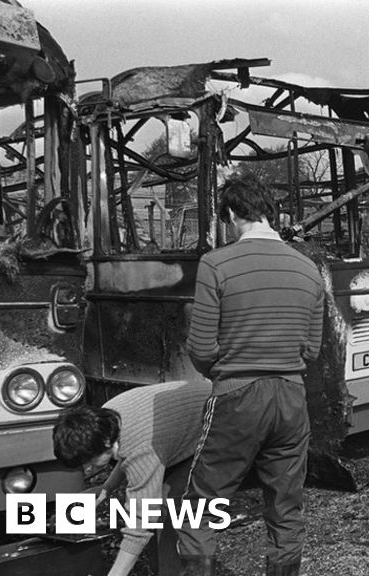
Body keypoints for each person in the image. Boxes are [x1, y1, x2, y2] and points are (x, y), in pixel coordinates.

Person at [178, 174, 325, 576]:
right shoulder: (309, 269)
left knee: (202, 503)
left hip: (237, 396)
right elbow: (312, 350)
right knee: (285, 503)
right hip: (292, 399)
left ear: (230, 214)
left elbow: (202, 348)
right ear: (271, 214)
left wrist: (224, 376)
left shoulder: (216, 263)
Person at [53, 379, 211, 576]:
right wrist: (107, 488)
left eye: (89, 460)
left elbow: (140, 522)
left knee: (173, 504)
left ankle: (177, 571)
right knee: (160, 500)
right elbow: (127, 453)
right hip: (188, 418)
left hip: (222, 421)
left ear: (104, 441)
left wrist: (116, 573)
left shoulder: (141, 446)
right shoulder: (105, 417)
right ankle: (164, 568)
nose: (87, 469)